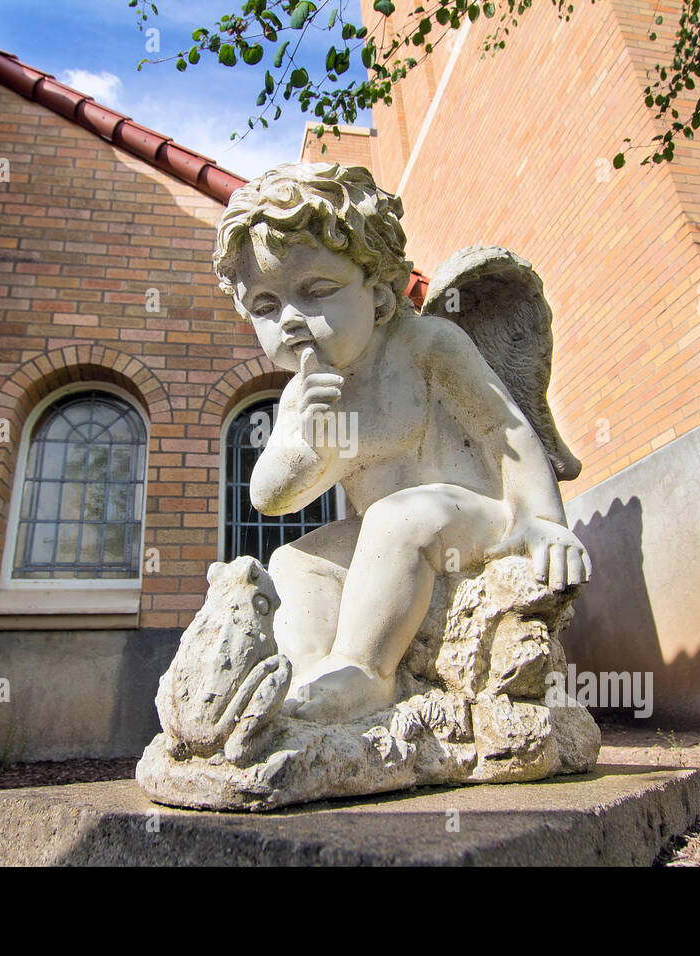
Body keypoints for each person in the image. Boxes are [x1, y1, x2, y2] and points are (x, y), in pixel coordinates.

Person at [212, 162, 590, 723]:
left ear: (382, 295)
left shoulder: (427, 344)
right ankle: (309, 676)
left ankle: (365, 672)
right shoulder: (301, 398)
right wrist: (307, 444)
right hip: (391, 534)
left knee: (396, 516)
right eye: (266, 306)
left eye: (317, 292)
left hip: (479, 518)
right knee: (295, 559)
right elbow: (270, 497)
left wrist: (542, 520)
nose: (291, 319)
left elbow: (504, 429)